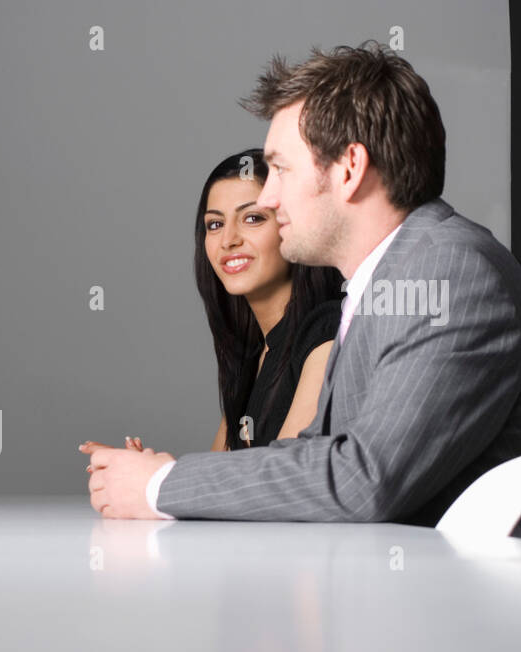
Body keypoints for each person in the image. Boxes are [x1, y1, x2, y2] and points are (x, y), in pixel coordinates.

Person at [83, 43, 521, 540]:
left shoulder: (445, 271)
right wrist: (170, 477)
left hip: (508, 616)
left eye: (280, 168)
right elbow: (317, 454)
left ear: (349, 168)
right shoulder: (384, 281)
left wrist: (159, 486)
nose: (267, 194)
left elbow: (363, 478)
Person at [82, 149, 341, 461]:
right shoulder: (252, 356)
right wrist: (142, 471)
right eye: (215, 224)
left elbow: (281, 478)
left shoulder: (328, 332)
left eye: (253, 218)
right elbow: (223, 484)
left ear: (291, 226)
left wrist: (159, 479)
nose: (228, 239)